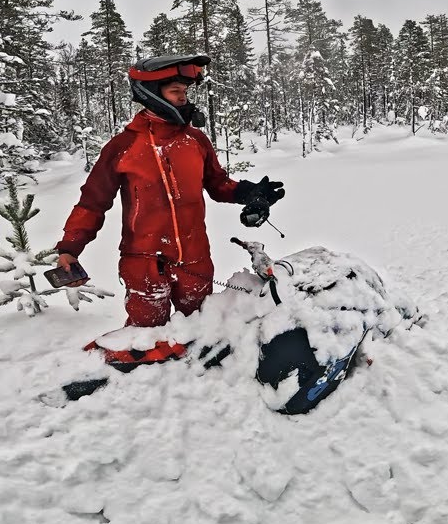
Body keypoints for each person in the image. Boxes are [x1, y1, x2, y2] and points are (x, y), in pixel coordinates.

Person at [53, 53, 285, 333]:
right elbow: (92, 202)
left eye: (184, 91)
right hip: (145, 263)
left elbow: (217, 183)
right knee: (145, 337)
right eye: (175, 91)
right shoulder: (123, 147)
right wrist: (70, 248)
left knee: (203, 332)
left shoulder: (195, 140)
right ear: (151, 93)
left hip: (196, 259)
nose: (183, 97)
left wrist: (250, 193)